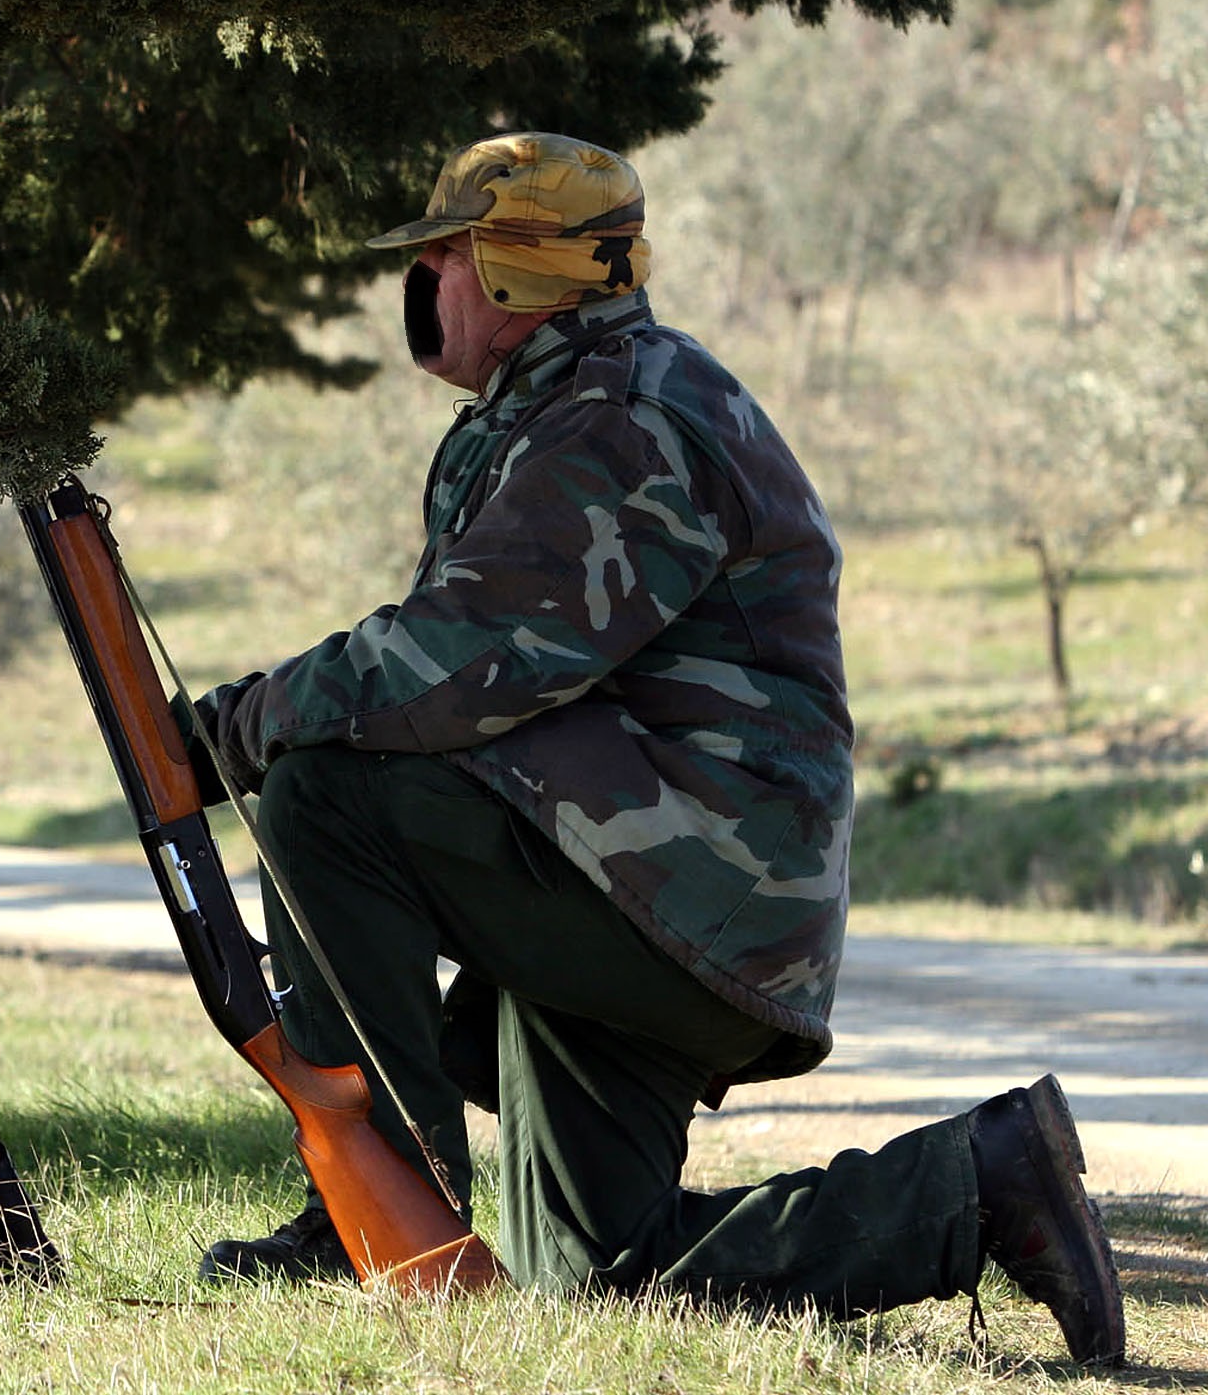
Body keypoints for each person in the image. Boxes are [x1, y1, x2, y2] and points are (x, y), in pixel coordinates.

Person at [185, 132, 1125, 1365]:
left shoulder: (618, 422)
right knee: (602, 1281)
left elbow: (455, 667)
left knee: (320, 795)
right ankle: (978, 1186)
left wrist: (230, 730)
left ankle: (361, 1225)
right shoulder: (575, 403)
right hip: (656, 884)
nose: (425, 281)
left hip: (675, 892)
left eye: (449, 255)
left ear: (517, 275)